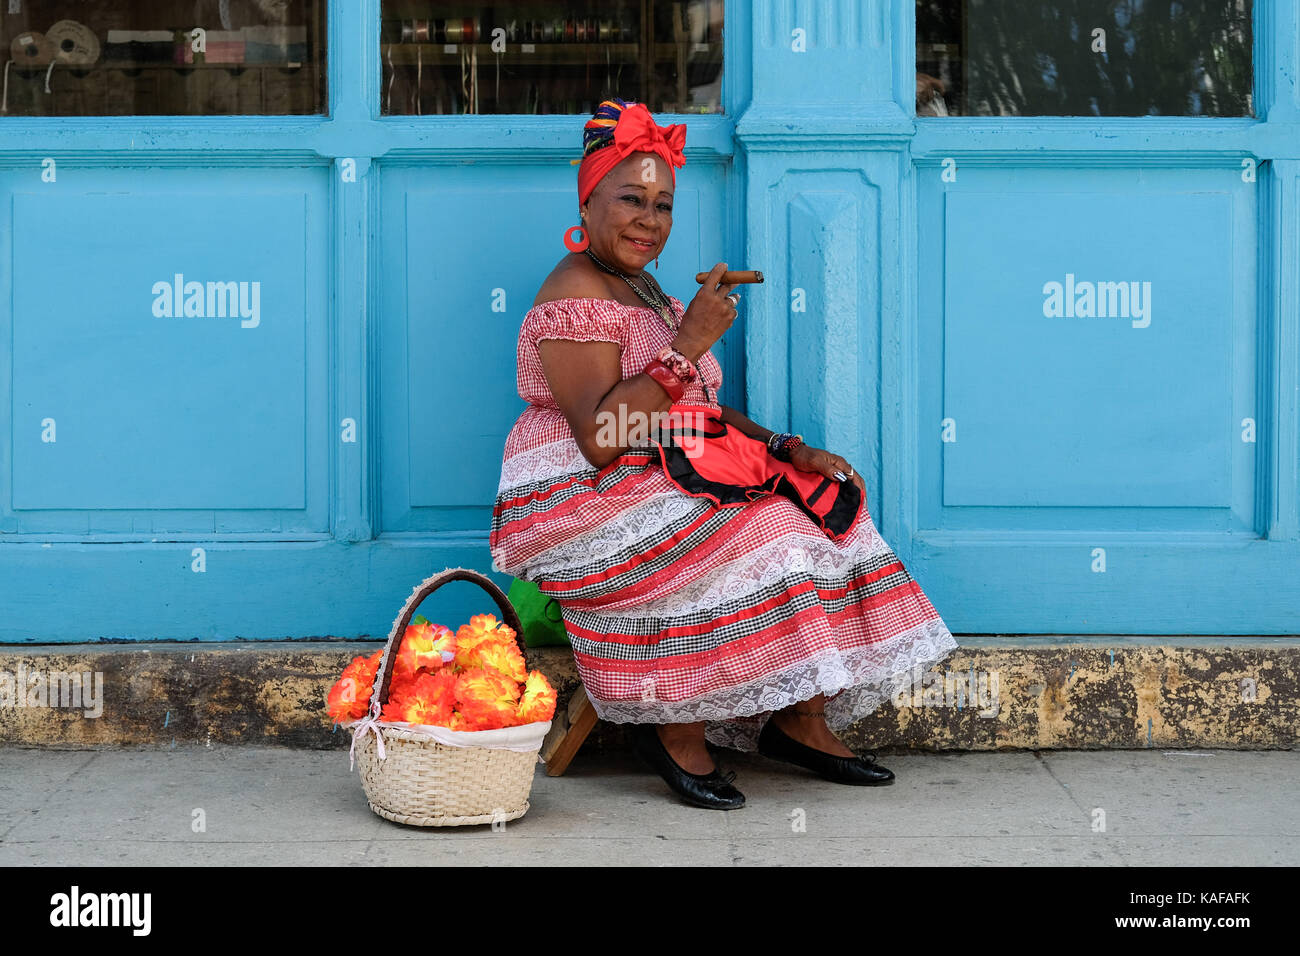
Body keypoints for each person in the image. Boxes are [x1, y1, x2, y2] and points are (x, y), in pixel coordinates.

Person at [490, 97, 958, 810]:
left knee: (826, 511)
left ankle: (799, 720)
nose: (650, 219)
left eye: (663, 205)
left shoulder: (648, 292)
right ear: (586, 201)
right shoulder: (573, 290)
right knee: (760, 532)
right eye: (631, 199)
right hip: (581, 495)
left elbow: (700, 408)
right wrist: (688, 344)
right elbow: (601, 436)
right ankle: (674, 727)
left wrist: (786, 448)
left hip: (663, 473)